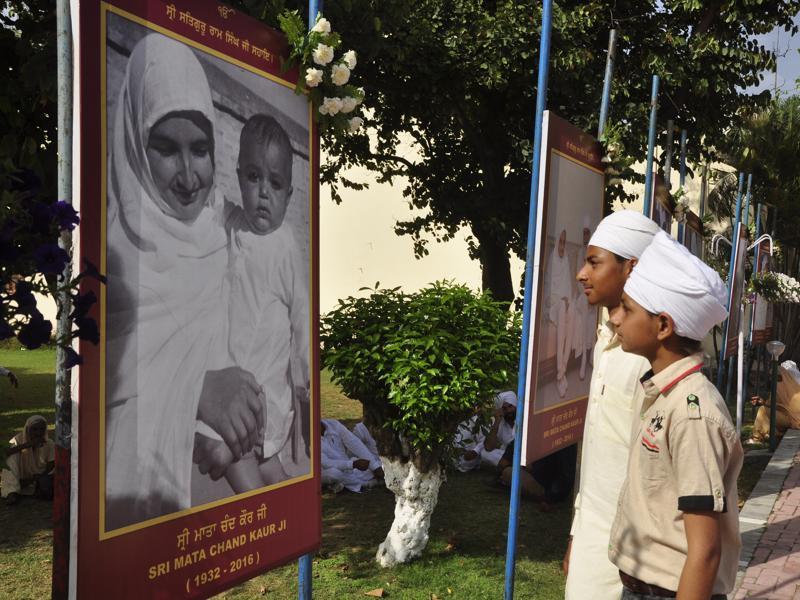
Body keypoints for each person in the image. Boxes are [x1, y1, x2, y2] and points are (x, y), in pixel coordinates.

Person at [104, 33, 262, 529]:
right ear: (134, 140)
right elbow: (99, 381)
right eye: (166, 149)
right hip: (129, 509)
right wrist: (196, 392)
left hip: (201, 503)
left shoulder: (217, 237)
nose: (189, 176)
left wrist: (268, 506)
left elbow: (225, 372)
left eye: (201, 149)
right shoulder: (109, 256)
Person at [608, 231, 742, 600]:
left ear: (663, 326)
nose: (615, 319)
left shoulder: (692, 412)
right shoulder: (663, 392)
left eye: (627, 308)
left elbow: (705, 551)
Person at [195, 114, 310, 493]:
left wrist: (307, 378)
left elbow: (302, 318)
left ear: (289, 194)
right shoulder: (231, 221)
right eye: (254, 177)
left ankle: (279, 513)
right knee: (250, 467)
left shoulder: (286, 247)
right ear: (239, 174)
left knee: (254, 461)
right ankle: (275, 511)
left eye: (275, 184)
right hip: (229, 390)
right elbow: (206, 193)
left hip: (268, 396)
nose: (263, 193)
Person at [564, 210, 661, 600]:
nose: (581, 274)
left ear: (630, 268)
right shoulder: (607, 340)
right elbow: (597, 458)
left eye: (594, 262)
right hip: (592, 538)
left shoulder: (649, 357)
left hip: (631, 557)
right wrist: (577, 533)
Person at [2, 415, 54, 506]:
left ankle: (30, 488)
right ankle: (12, 492)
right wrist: (26, 445)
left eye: (41, 429)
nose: (38, 432)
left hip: (38, 477)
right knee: (11, 456)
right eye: (34, 429)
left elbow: (52, 464)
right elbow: (4, 454)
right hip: (20, 474)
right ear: (27, 429)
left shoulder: (49, 443)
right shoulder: (17, 440)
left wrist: (36, 478)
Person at [320, 419, 383, 493]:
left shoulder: (334, 424)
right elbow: (326, 463)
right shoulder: (307, 438)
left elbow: (353, 442)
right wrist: (352, 464)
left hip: (348, 469)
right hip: (326, 472)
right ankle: (365, 484)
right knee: (334, 474)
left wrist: (375, 467)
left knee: (380, 466)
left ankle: (343, 486)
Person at [547, 229, 574, 397]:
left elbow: (569, 286)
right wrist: (560, 299)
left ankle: (562, 371)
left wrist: (567, 300)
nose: (563, 245)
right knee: (564, 309)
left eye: (565, 242)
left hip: (564, 302)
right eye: (561, 241)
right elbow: (548, 287)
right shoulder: (552, 259)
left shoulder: (566, 261)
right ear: (557, 242)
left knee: (572, 316)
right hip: (552, 304)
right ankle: (560, 371)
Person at [571, 215, 595, 380]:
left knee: (593, 313)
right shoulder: (578, 252)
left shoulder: (593, 255)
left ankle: (592, 353)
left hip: (590, 294)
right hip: (580, 296)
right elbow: (575, 278)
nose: (585, 236)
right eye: (584, 233)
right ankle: (584, 360)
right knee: (584, 306)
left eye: (588, 233)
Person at [481, 391, 518, 467]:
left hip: (523, 453)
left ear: (515, 405)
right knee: (484, 453)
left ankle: (508, 467)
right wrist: (497, 421)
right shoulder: (499, 421)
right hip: (507, 454)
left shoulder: (524, 419)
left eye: (510, 406)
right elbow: (488, 447)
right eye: (504, 408)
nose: (509, 411)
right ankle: (511, 467)